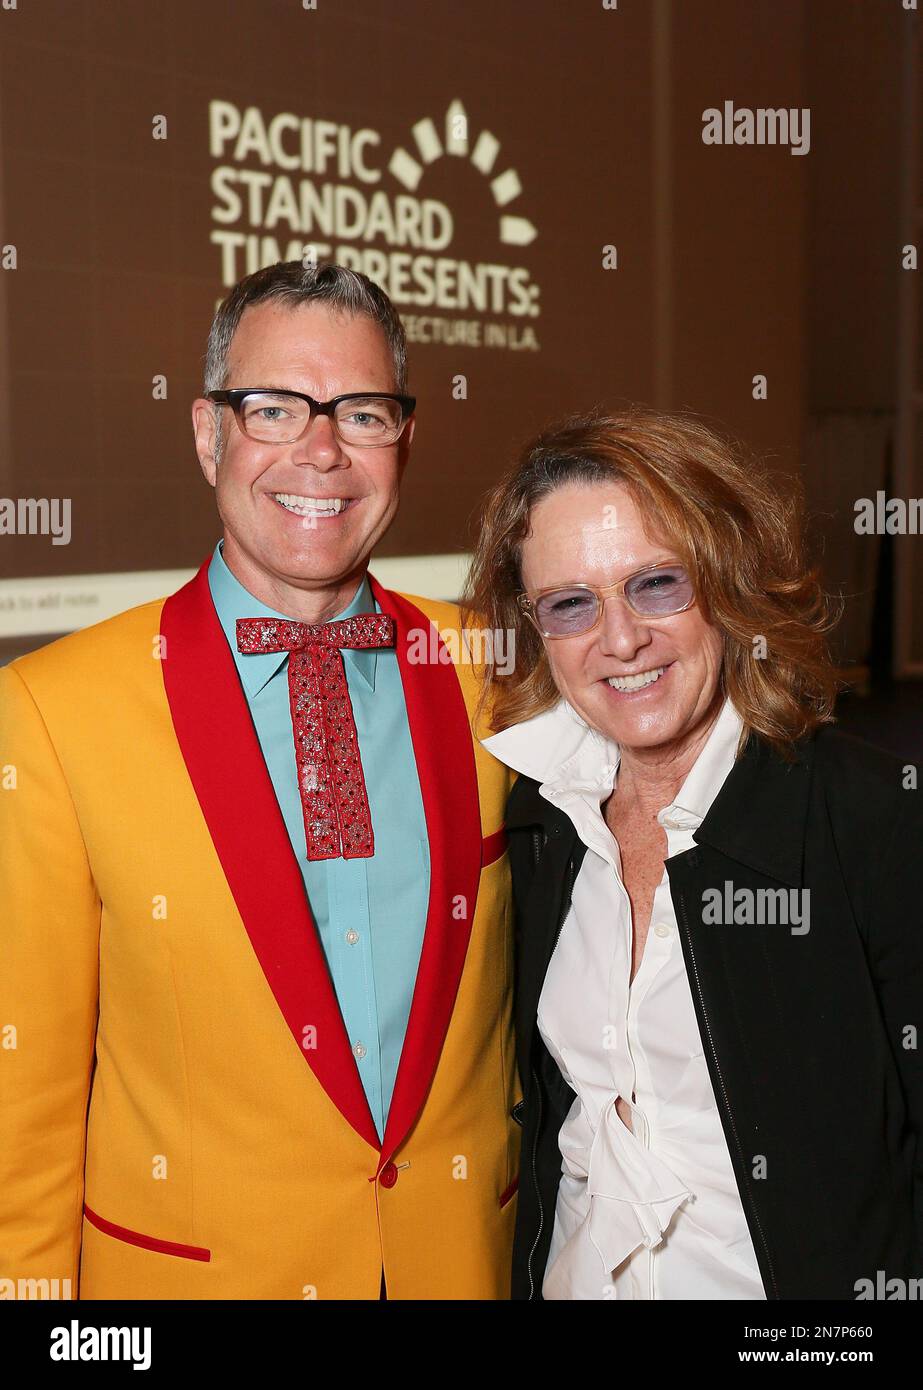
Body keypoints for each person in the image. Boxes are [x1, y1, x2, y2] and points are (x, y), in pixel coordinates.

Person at [0, 262, 519, 1301]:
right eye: (274, 407)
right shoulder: (53, 712)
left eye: (360, 412)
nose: (320, 451)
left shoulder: (498, 676)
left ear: (403, 440)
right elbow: (27, 1097)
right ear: (207, 434)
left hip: (457, 1265)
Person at [464, 407, 923, 1301]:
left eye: (657, 584)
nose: (620, 639)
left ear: (730, 579)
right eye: (570, 603)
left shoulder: (870, 823)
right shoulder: (541, 818)